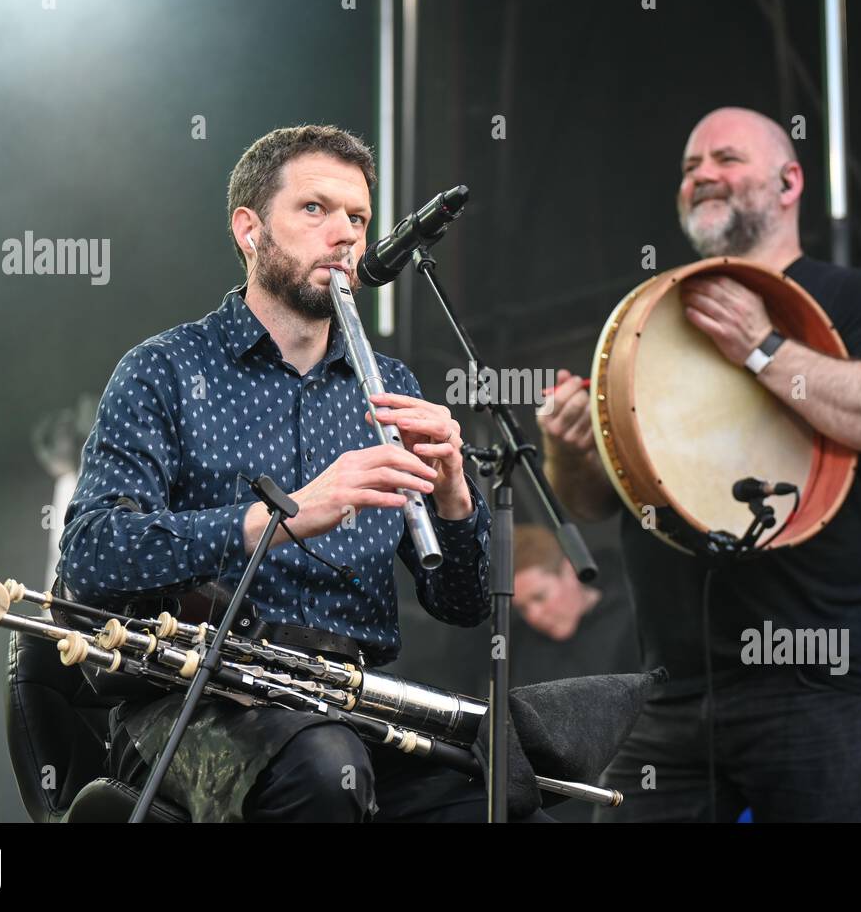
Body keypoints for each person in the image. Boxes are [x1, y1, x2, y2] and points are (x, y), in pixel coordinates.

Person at [60, 124, 548, 822]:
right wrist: (280, 517)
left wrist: (453, 496)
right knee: (326, 771)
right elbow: (93, 551)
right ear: (249, 230)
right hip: (196, 698)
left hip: (349, 700)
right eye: (315, 210)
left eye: (358, 218)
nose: (345, 235)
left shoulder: (389, 384)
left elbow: (462, 603)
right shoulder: (165, 369)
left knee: (508, 802)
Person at [537, 106, 861, 822]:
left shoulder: (848, 297)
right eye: (690, 168)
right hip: (668, 687)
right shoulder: (653, 315)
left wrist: (764, 349)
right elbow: (598, 500)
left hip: (813, 681)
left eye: (725, 160)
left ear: (790, 182)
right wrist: (567, 450)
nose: (702, 177)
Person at [510, 522, 640, 687]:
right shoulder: (520, 648)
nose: (533, 616)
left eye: (540, 597)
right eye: (522, 608)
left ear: (570, 569)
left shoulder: (636, 619)